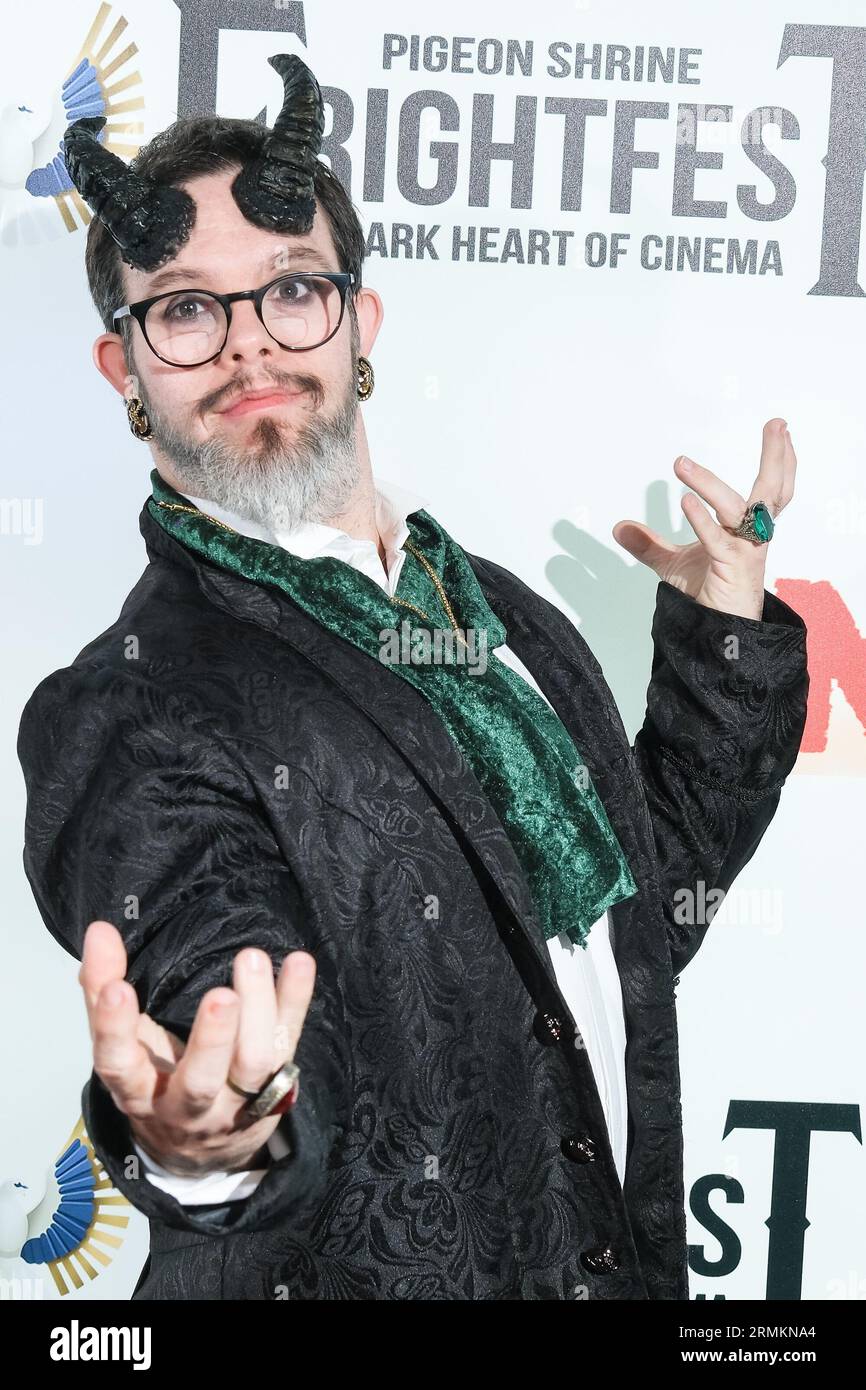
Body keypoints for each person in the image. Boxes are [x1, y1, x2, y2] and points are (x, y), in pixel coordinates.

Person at [17, 53, 808, 1301]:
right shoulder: (128, 703)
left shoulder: (496, 614)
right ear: (126, 371)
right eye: (183, 309)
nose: (247, 348)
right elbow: (224, 986)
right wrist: (216, 1136)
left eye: (292, 290)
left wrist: (722, 625)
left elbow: (639, 913)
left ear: (359, 323)